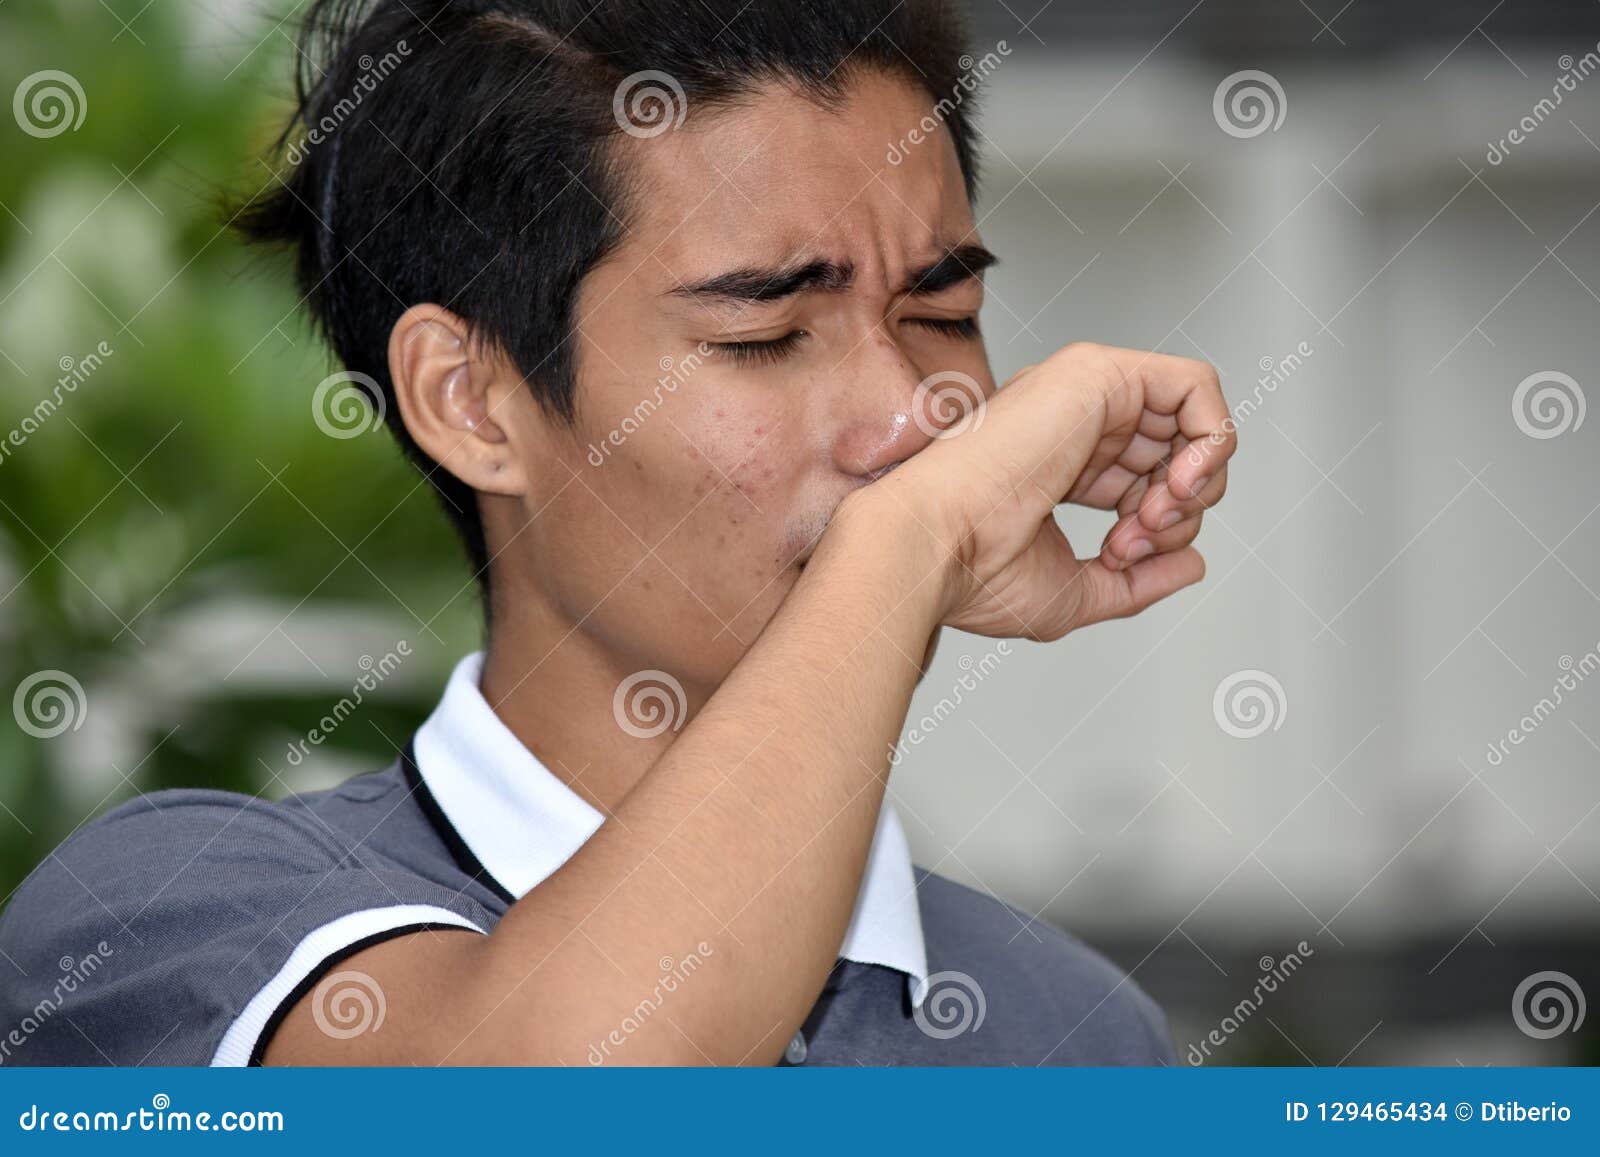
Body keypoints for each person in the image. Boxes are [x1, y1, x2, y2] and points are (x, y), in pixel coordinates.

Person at [0, 0, 1233, 1066]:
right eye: (764, 336)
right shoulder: (169, 917)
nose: (918, 416)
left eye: (944, 312)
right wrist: (903, 545)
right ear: (467, 397)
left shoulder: (1075, 1033)